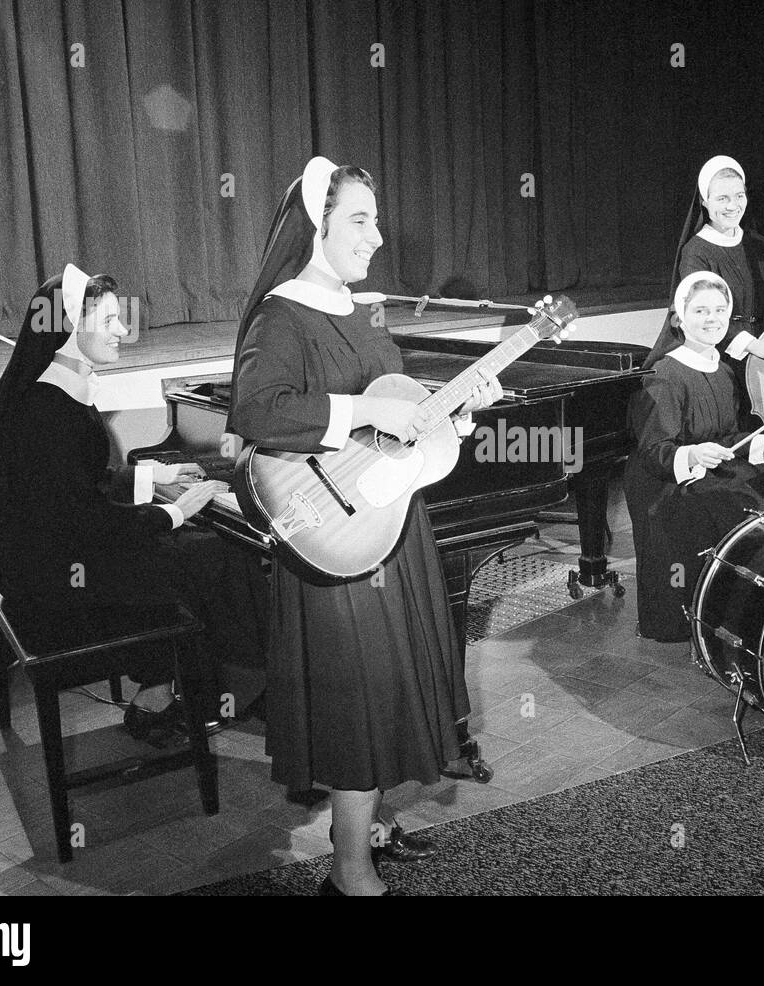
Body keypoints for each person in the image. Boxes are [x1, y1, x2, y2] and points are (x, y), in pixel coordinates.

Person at [227, 157, 502, 896]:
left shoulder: (360, 311)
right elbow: (255, 411)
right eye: (359, 219)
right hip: (334, 542)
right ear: (314, 225)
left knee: (380, 695)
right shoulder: (281, 313)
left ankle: (368, 833)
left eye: (375, 220)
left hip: (388, 530)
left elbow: (400, 422)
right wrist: (362, 412)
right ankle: (350, 876)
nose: (376, 236)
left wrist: (455, 414)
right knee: (356, 705)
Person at [0, 266, 268, 741]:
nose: (123, 331)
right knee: (215, 555)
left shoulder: (51, 389)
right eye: (110, 320)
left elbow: (76, 486)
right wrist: (174, 511)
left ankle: (180, 686)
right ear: (70, 327)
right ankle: (212, 694)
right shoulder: (47, 411)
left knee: (197, 549)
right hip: (53, 580)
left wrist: (151, 476)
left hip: (49, 558)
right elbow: (82, 520)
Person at [625, 271, 764, 642]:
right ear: (679, 318)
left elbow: (728, 438)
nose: (712, 319)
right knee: (737, 509)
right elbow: (654, 452)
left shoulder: (724, 371)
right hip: (664, 487)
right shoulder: (664, 375)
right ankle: (712, 616)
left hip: (706, 473)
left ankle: (752, 612)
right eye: (701, 311)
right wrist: (692, 452)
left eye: (719, 311)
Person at [643, 154, 764, 377]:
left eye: (739, 195)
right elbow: (703, 316)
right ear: (705, 201)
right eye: (722, 198)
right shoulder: (696, 252)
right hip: (716, 357)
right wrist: (755, 347)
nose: (733, 206)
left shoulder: (758, 244)